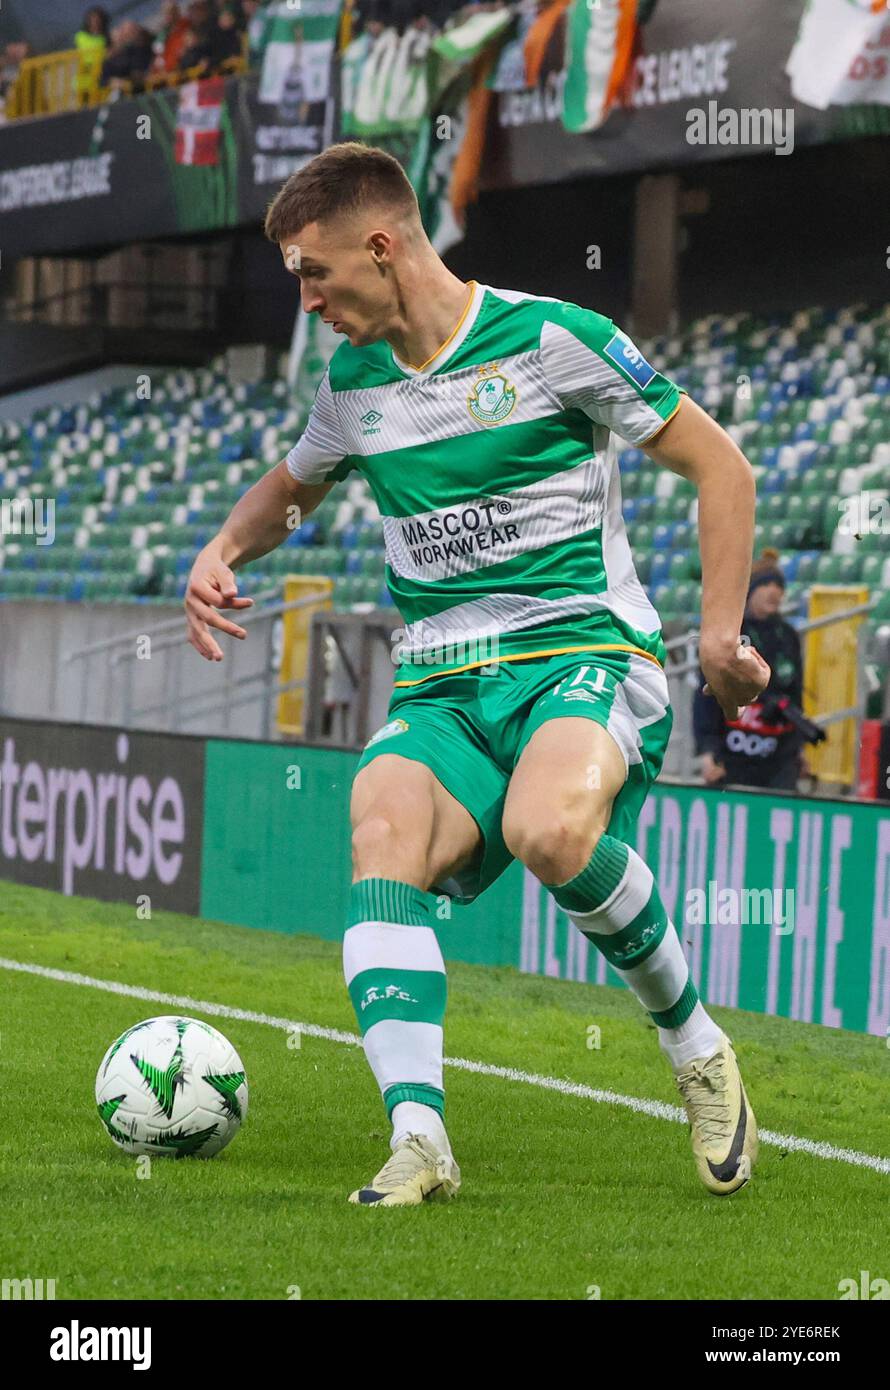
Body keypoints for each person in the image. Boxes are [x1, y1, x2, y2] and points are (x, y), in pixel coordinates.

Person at [185, 141, 770, 1205]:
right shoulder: (353, 383)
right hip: (443, 686)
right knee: (379, 822)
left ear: (379, 245)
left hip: (580, 656)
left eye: (315, 274)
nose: (308, 299)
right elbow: (292, 486)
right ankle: (420, 1140)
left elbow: (717, 465)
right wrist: (222, 551)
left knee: (546, 830)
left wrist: (721, 638)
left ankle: (694, 1049)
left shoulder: (551, 340)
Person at [694, 548, 806, 791]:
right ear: (751, 589)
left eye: (779, 586)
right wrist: (707, 752)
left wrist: (798, 749)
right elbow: (706, 698)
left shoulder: (788, 636)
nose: (774, 591)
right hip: (731, 758)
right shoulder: (728, 634)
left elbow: (796, 696)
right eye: (766, 585)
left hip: (778, 760)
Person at [100, 20, 155, 89]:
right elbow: (103, 80)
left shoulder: (141, 49)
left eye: (132, 32)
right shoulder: (111, 60)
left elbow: (139, 71)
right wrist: (112, 81)